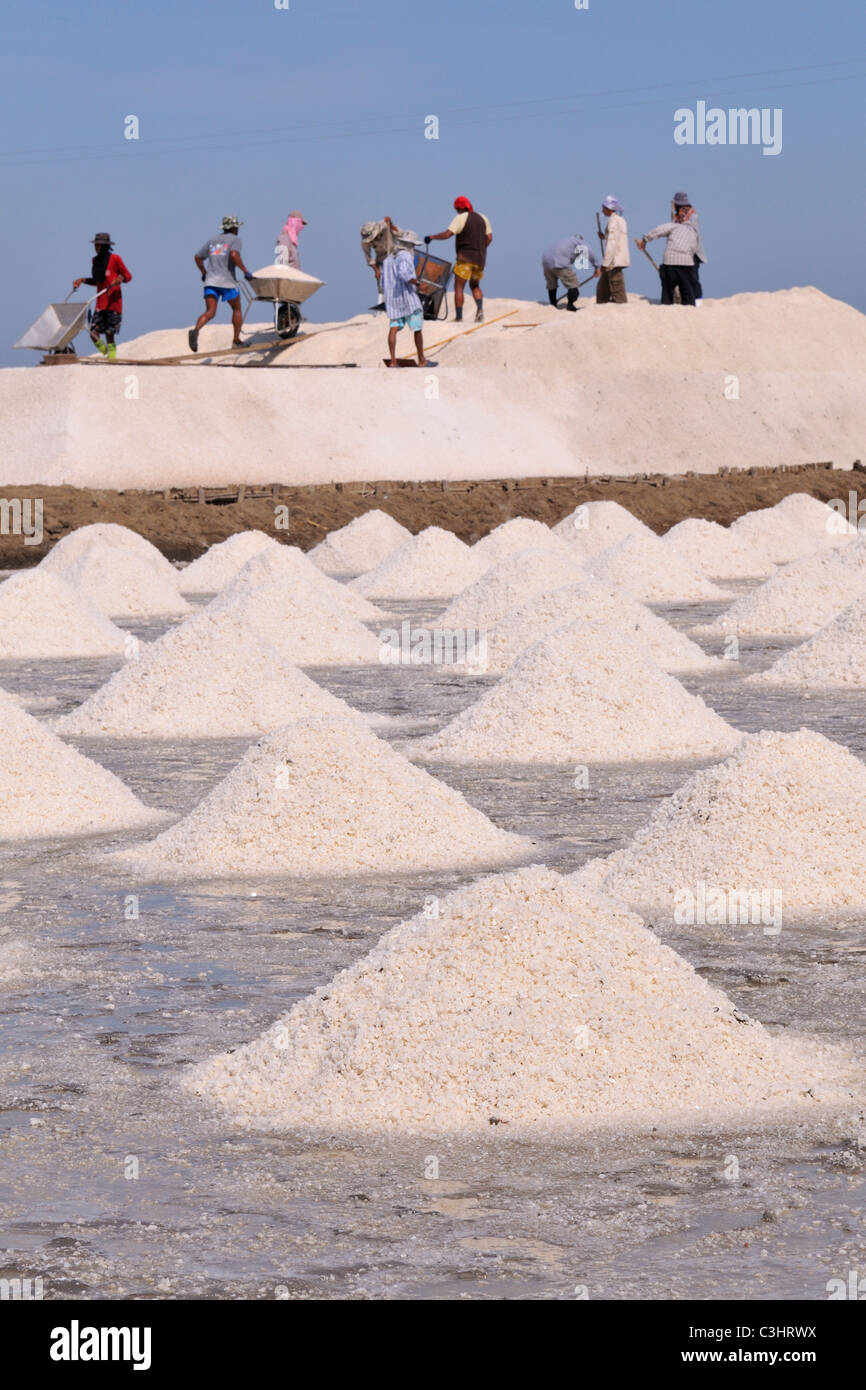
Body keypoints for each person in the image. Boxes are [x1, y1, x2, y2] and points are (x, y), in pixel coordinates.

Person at [189, 216, 255, 352]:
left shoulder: (213, 240)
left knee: (210, 312)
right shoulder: (235, 239)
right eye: (237, 227)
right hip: (227, 282)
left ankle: (195, 331)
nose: (238, 230)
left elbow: (197, 257)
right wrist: (245, 271)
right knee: (237, 308)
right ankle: (236, 341)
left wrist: (204, 273)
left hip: (210, 281)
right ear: (233, 228)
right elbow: (235, 255)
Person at [426, 196, 492, 322]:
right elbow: (489, 237)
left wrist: (432, 237)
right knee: (475, 286)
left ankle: (459, 317)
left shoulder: (460, 218)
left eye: (456, 209)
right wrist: (481, 249)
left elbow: (447, 234)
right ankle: (479, 310)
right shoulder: (483, 218)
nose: (456, 211)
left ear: (460, 208)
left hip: (465, 259)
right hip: (480, 260)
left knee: (459, 287)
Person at [72, 233, 132, 361]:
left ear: (105, 246)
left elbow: (128, 276)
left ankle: (112, 357)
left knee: (110, 332)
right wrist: (83, 280)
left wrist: (120, 278)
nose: (96, 247)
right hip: (101, 302)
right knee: (93, 333)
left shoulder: (115, 259)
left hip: (114, 301)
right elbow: (98, 281)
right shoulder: (95, 261)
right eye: (95, 244)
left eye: (99, 245)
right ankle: (105, 353)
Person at [381, 230, 433, 368]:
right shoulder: (405, 256)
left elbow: (382, 281)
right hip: (408, 298)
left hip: (393, 300)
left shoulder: (387, 260)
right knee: (417, 328)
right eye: (414, 246)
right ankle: (422, 360)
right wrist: (418, 284)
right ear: (410, 245)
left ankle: (393, 362)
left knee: (393, 328)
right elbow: (404, 274)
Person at [637, 207, 700, 306]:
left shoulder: (674, 226)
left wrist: (644, 240)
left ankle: (667, 306)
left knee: (667, 292)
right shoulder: (694, 232)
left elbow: (657, 231)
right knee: (688, 294)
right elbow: (694, 249)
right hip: (687, 265)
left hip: (669, 263)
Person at [541, 233, 598, 311]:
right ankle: (570, 306)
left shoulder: (565, 241)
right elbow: (588, 251)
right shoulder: (579, 242)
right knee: (573, 286)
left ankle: (553, 304)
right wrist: (596, 266)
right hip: (559, 261)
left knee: (551, 285)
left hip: (546, 262)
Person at [360, 217, 404, 309]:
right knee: (381, 282)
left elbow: (400, 233)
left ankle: (400, 301)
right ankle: (383, 302)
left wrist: (391, 224)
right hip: (381, 258)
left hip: (395, 255)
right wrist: (376, 270)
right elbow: (369, 258)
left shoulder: (384, 226)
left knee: (399, 279)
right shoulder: (365, 241)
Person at [671, 191, 706, 299]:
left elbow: (690, 232)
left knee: (693, 278)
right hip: (680, 253)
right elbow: (672, 228)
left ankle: (698, 301)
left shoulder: (692, 216)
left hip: (693, 252)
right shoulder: (677, 216)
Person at [596, 196, 629, 304]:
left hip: (614, 261)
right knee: (602, 289)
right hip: (614, 259)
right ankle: (601, 306)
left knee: (617, 288)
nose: (602, 211)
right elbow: (615, 238)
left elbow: (612, 243)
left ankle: (621, 308)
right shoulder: (620, 220)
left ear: (608, 209)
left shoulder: (613, 221)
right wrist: (604, 236)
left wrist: (605, 263)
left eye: (603, 208)